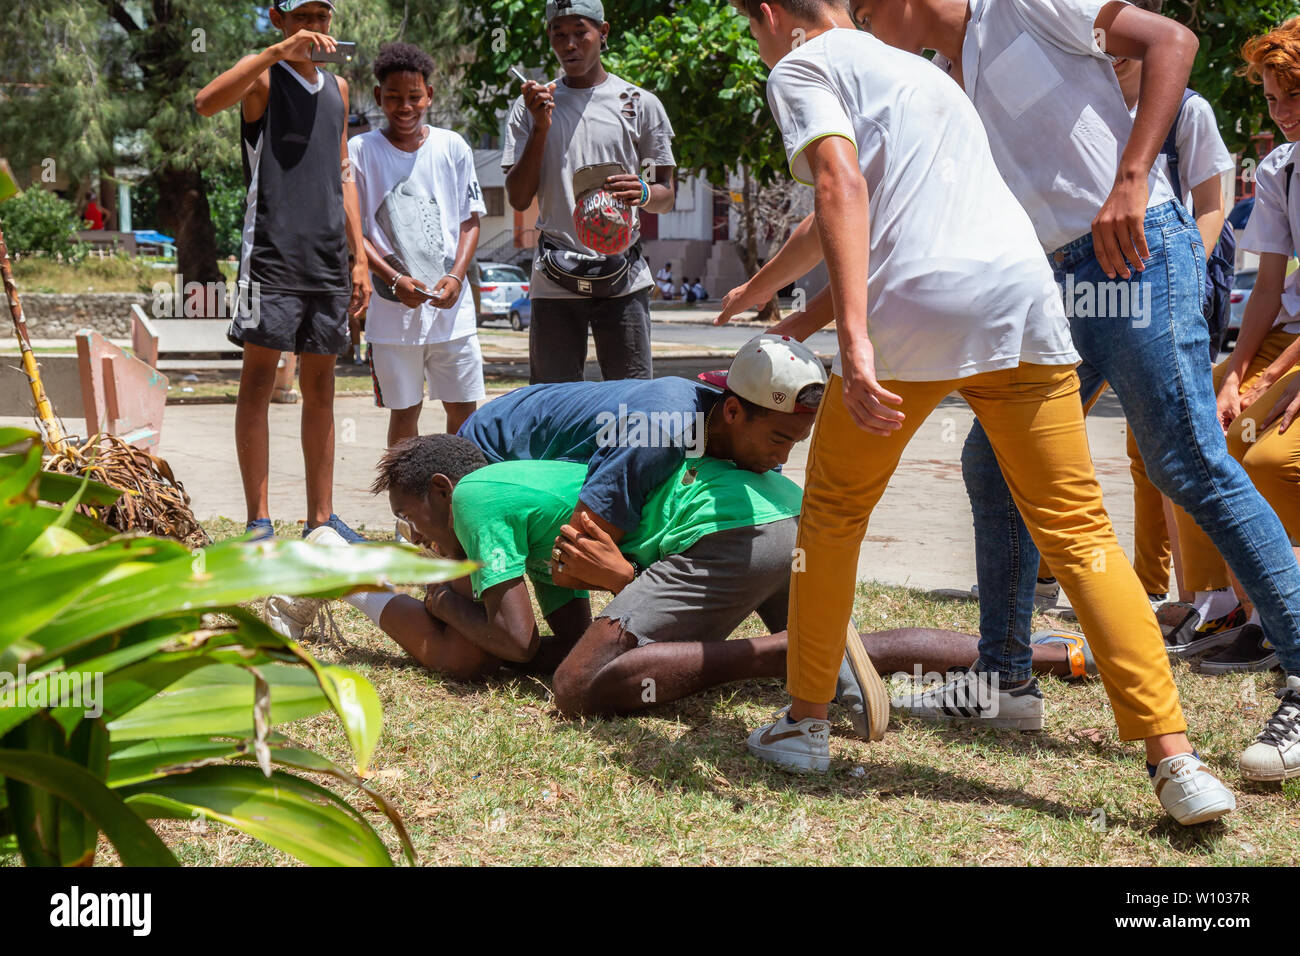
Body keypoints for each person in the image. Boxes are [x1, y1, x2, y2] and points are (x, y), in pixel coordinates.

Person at [730, 0, 1233, 824]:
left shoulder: (801, 64)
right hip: (1023, 299)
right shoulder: (924, 77)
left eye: (753, 28)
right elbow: (873, 205)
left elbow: (839, 184)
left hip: (919, 311)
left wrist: (851, 339)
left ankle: (805, 723)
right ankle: (1176, 761)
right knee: (1078, 530)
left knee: (832, 514)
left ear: (774, 13)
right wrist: (777, 299)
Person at [847, 0, 1300, 784]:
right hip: (1055, 279)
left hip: (1137, 251)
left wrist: (1130, 176)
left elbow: (1172, 41)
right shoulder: (949, 75)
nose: (857, 25)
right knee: (994, 465)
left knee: (1187, 461)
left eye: (859, 8)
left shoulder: (1021, 4)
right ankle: (1005, 679)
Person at [1155, 20, 1300, 776]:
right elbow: (1268, 287)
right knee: (1182, 428)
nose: (1282, 110)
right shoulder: (1279, 168)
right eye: (1274, 97)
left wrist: (1274, 383)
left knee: (1270, 461)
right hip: (1281, 341)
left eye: (1294, 95)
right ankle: (1229, 609)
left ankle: (1283, 613)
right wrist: (1239, 371)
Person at [195, 0, 369, 542]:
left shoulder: (338, 91)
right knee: (258, 382)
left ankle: (320, 518)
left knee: (322, 385)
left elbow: (344, 173)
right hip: (269, 256)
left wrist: (359, 255)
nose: (314, 29)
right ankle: (258, 521)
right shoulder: (263, 77)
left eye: (322, 17)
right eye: (302, 18)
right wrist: (274, 52)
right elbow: (204, 104)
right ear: (278, 18)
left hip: (325, 261)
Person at [1113, 0, 1234, 612]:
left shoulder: (1187, 108)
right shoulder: (1080, 97)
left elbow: (1214, 200)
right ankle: (1148, 583)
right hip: (1097, 290)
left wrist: (1185, 278)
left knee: (1170, 444)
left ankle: (1199, 596)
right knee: (1128, 447)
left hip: (1166, 290)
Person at [504, 0, 676, 384]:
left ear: (604, 32)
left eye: (580, 32)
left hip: (623, 279)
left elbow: (666, 194)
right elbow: (517, 198)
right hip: (554, 280)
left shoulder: (639, 104)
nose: (569, 45)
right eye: (558, 35)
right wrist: (541, 127)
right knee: (552, 406)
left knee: (633, 403)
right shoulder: (530, 107)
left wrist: (645, 193)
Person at [348, 42, 487, 445]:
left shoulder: (452, 146)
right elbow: (354, 230)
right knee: (405, 411)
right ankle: (405, 505)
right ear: (378, 97)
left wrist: (456, 277)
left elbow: (470, 220)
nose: (405, 106)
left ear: (429, 95)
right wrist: (392, 280)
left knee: (462, 411)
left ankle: (458, 499)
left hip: (452, 313)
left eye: (414, 97)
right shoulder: (361, 151)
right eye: (393, 97)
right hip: (394, 319)